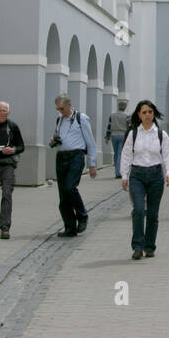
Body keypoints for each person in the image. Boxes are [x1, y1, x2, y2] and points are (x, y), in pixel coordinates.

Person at [120, 99, 169, 259]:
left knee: (152, 213)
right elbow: (126, 154)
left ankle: (149, 246)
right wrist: (124, 175)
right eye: (144, 112)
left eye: (150, 112)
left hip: (155, 175)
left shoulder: (160, 134)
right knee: (138, 210)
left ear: (154, 114)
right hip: (137, 175)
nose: (147, 115)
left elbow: (168, 155)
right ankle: (137, 246)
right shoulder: (133, 133)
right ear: (139, 114)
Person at [48, 93, 97, 237]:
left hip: (76, 156)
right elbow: (59, 136)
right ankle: (70, 227)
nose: (60, 111)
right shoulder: (59, 120)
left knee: (70, 187)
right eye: (58, 109)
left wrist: (92, 163)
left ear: (69, 105)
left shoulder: (81, 118)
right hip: (61, 157)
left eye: (62, 108)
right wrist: (54, 140)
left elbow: (90, 142)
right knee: (63, 194)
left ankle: (82, 215)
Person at [0, 101, 24, 239]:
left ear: (8, 113)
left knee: (7, 193)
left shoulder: (13, 126)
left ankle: (5, 227)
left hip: (8, 164)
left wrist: (13, 150)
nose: (2, 113)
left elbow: (21, 146)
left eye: (4, 111)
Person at [106, 98, 131, 179]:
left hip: (114, 135)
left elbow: (109, 126)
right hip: (123, 135)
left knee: (116, 153)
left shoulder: (112, 115)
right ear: (125, 107)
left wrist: (107, 137)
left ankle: (117, 170)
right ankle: (119, 172)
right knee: (121, 153)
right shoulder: (127, 116)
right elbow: (129, 127)